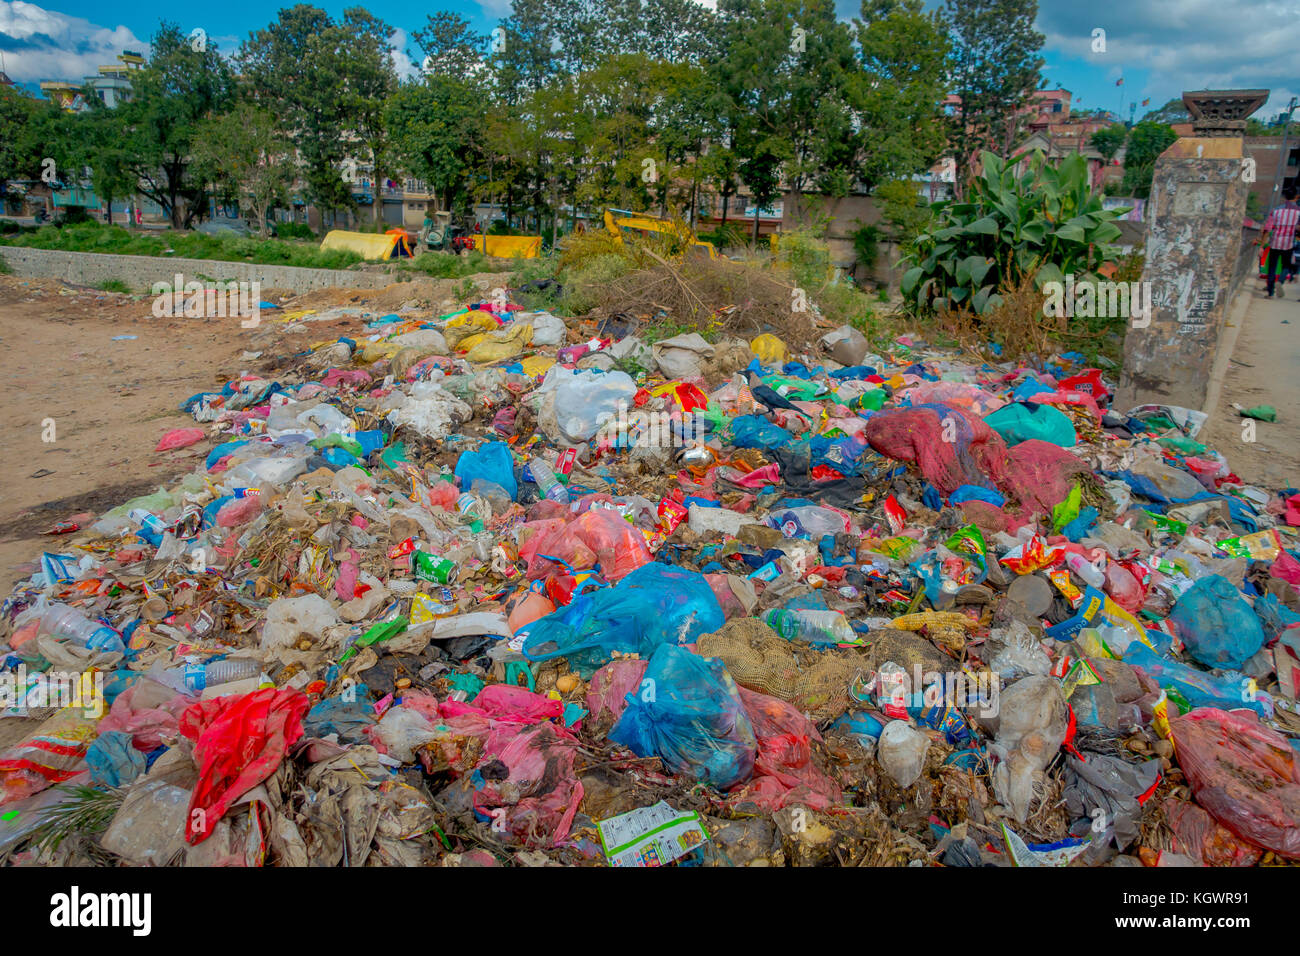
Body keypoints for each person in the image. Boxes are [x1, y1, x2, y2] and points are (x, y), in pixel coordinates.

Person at [1261, 187, 1299, 298]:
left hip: (1275, 242)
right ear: (1296, 197)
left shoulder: (1276, 210)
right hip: (1289, 243)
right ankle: (1280, 281)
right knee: (1286, 266)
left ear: (1284, 197)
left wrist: (1262, 246)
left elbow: (1267, 229)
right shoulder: (1298, 212)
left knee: (1272, 267)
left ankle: (1270, 292)